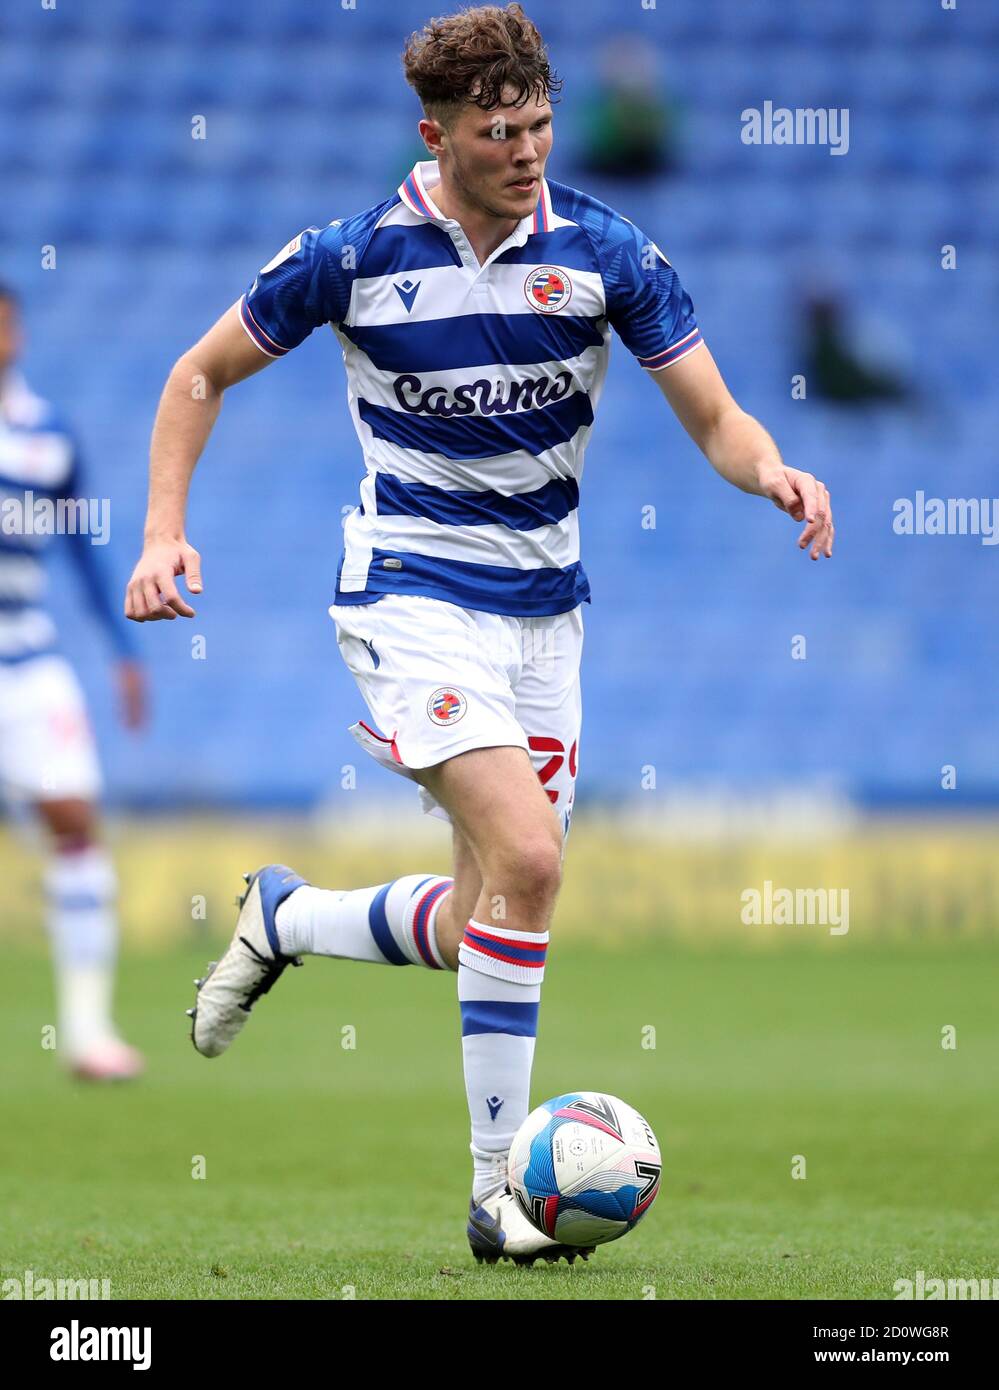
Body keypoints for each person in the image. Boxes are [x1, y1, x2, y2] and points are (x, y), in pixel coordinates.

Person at [124, 4, 833, 1264]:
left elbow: (719, 416)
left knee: (483, 910)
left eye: (541, 125)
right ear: (435, 132)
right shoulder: (352, 256)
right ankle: (498, 1192)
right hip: (409, 595)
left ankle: (285, 920)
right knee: (534, 861)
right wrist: (162, 533)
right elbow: (198, 374)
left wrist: (770, 469)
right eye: (498, 130)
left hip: (545, 620)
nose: (526, 150)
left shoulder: (608, 254)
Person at [0, 283, 146, 1081]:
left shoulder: (46, 435)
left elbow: (83, 546)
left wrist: (123, 650)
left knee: (76, 823)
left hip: (24, 662)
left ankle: (89, 1033)